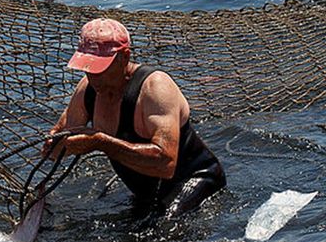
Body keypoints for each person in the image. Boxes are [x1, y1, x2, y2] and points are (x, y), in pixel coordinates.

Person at [46, 18, 226, 219]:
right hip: (145, 189)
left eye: (100, 68)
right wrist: (55, 144)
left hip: (194, 178)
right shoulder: (87, 90)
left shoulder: (155, 88)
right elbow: (57, 146)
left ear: (124, 57)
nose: (93, 77)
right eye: (87, 67)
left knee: (163, 231)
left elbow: (165, 164)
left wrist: (100, 142)